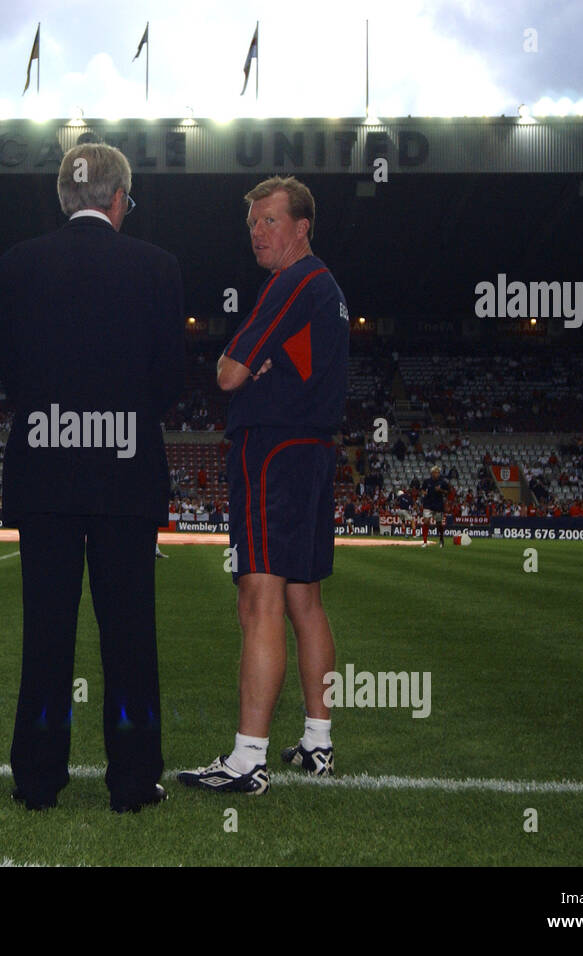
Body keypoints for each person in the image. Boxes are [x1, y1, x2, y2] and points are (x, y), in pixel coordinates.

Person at [0, 142, 185, 813]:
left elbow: (8, 367)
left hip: (43, 469)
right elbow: (168, 381)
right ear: (119, 198)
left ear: (64, 196)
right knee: (130, 632)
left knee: (46, 631)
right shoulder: (157, 267)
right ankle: (133, 780)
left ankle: (37, 778)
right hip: (125, 473)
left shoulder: (16, 264)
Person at [179, 176, 348, 795]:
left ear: (301, 228)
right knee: (305, 601)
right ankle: (317, 741)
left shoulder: (292, 282)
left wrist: (248, 366)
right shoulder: (327, 287)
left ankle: (247, 759)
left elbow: (227, 373)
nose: (258, 231)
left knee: (259, 599)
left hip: (273, 450)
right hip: (313, 451)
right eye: (252, 222)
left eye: (270, 220)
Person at [421, 465, 450, 547]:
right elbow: (422, 489)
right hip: (428, 503)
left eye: (438, 472)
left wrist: (440, 490)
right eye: (435, 472)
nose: (437, 474)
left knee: (439, 523)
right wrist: (424, 492)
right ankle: (425, 542)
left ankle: (441, 538)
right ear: (432, 473)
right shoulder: (427, 481)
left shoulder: (442, 482)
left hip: (438, 504)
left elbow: (447, 492)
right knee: (426, 521)